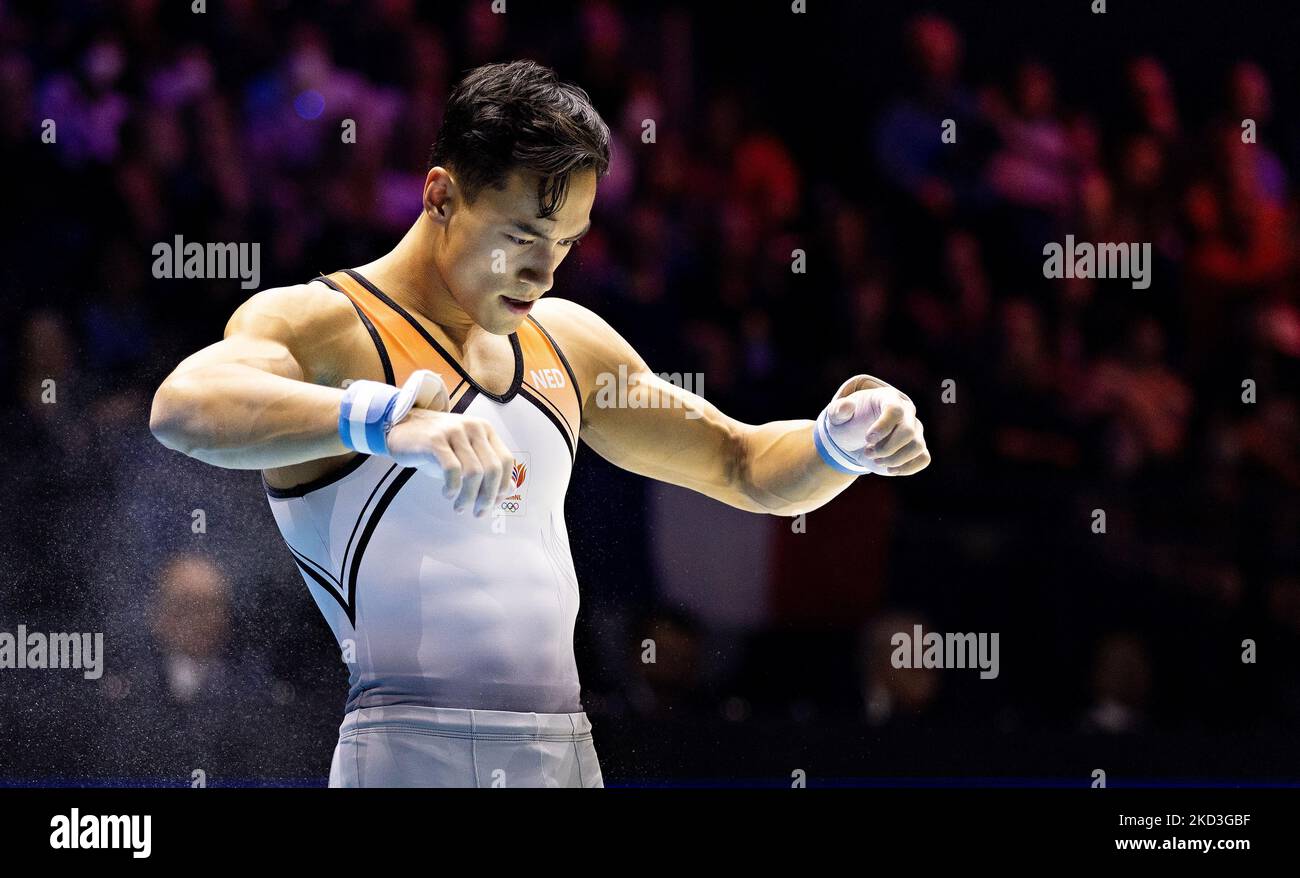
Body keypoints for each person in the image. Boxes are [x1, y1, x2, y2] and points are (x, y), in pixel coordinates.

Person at [148, 59, 930, 787]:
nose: (544, 271)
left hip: (563, 754)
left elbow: (741, 463)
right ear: (440, 197)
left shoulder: (566, 343)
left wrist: (840, 442)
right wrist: (379, 420)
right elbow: (183, 407)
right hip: (406, 748)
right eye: (522, 236)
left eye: (566, 242)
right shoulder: (329, 326)